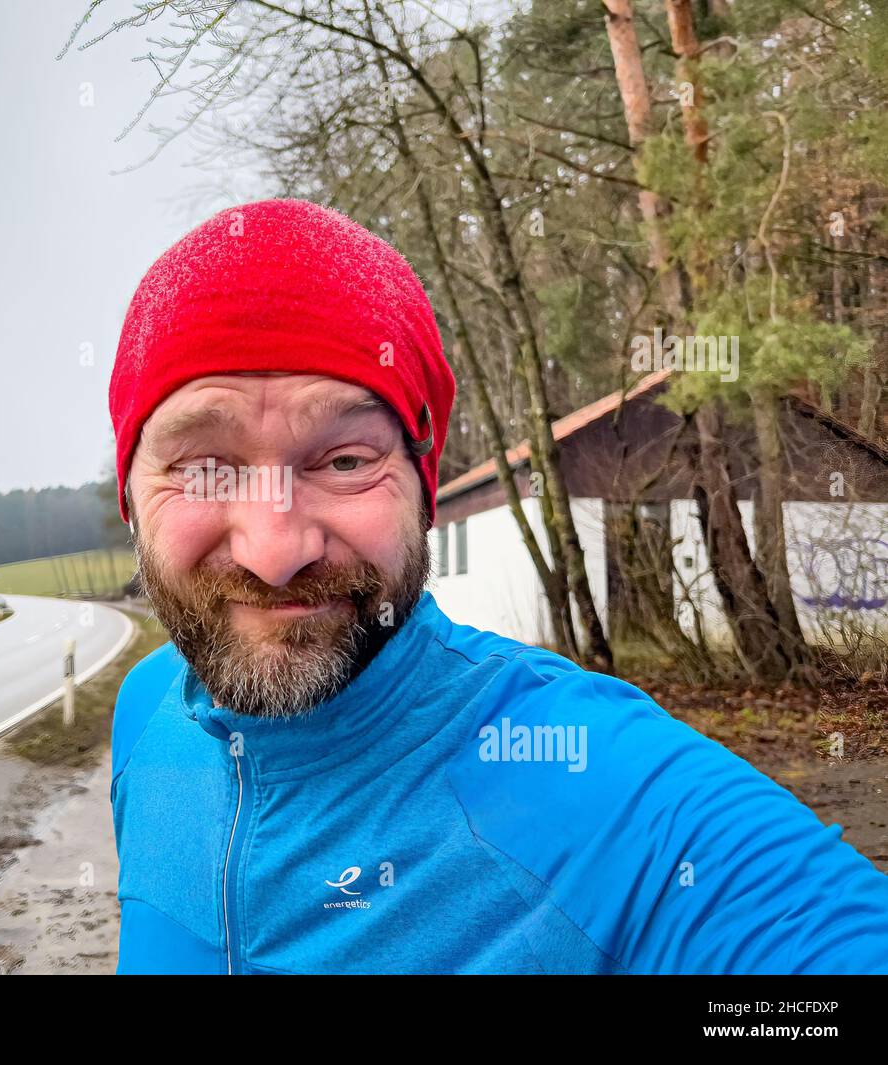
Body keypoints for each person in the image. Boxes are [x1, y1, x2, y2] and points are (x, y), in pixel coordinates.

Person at [106, 197, 888, 975]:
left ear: (423, 486)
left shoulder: (593, 781)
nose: (275, 550)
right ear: (129, 495)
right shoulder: (144, 716)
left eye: (345, 459)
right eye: (203, 466)